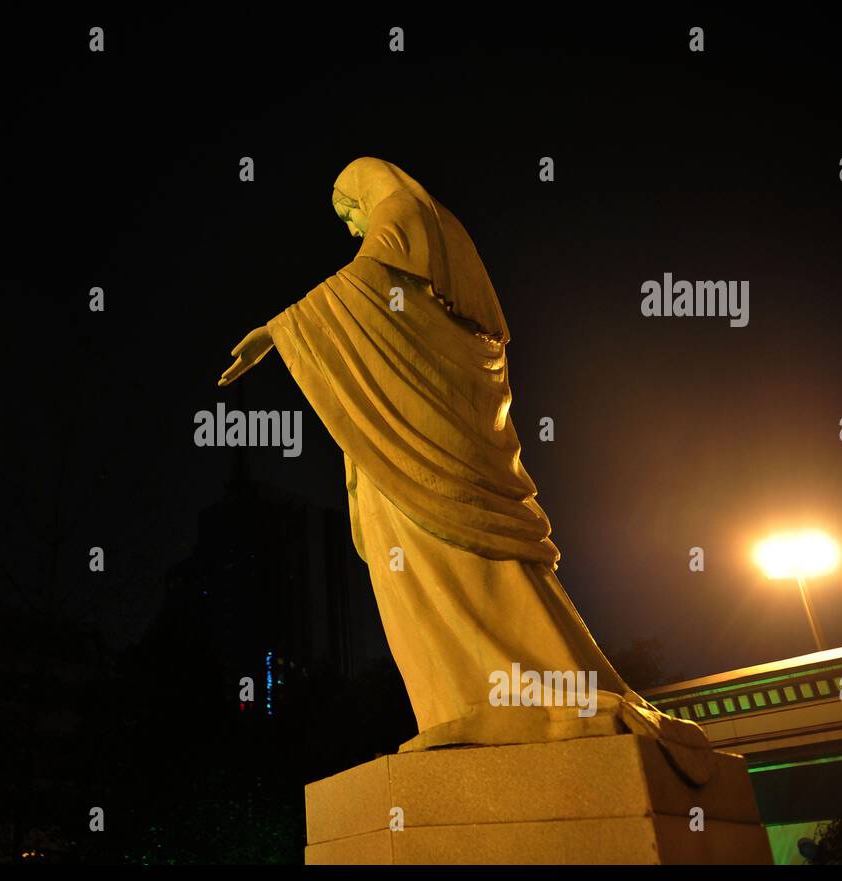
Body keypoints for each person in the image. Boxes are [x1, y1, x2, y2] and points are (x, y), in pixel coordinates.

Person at [219, 157, 713, 785]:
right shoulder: (440, 226)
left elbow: (369, 282)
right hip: (428, 431)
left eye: (347, 213)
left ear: (361, 189)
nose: (350, 229)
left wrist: (278, 329)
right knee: (464, 575)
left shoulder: (400, 214)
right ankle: (481, 697)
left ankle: (495, 700)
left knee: (445, 565)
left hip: (416, 452)